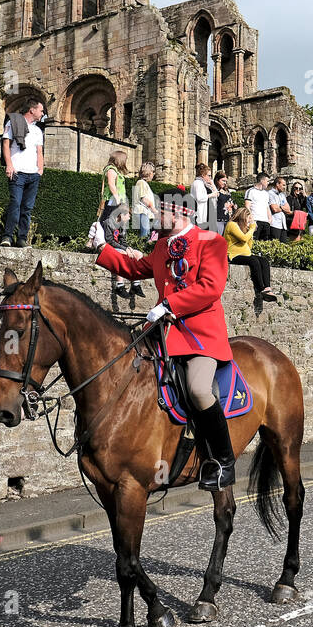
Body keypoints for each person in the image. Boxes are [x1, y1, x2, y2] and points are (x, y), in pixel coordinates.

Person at [90, 191, 238, 490]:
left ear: (178, 213)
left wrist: (169, 306)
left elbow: (211, 287)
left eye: (159, 211)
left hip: (200, 335)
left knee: (198, 389)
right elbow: (134, 268)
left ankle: (224, 461)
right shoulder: (161, 247)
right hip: (163, 333)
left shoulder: (213, 242)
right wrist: (103, 247)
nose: (154, 215)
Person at [0, 98, 44, 247]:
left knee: (27, 208)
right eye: (41, 110)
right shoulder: (13, 123)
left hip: (33, 174)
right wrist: (9, 165)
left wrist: (40, 170)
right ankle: (7, 237)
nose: (42, 113)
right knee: (15, 204)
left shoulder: (38, 130)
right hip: (17, 172)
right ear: (32, 110)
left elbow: (39, 151)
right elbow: (6, 145)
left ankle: (22, 239)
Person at [96, 149, 136, 298]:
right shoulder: (111, 169)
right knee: (108, 222)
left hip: (118, 200)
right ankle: (101, 241)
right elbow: (111, 185)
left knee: (118, 223)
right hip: (112, 200)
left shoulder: (117, 171)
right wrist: (117, 198)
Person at [225, 206, 276, 303]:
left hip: (245, 255)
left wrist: (250, 232)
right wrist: (252, 229)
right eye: (248, 220)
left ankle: (267, 288)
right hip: (233, 255)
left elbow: (249, 245)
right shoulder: (232, 225)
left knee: (264, 260)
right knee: (254, 261)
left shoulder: (244, 228)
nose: (249, 222)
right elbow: (243, 238)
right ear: (243, 217)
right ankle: (261, 288)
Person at [131, 161, 158, 243]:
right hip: (142, 212)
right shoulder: (141, 183)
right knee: (144, 237)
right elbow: (143, 199)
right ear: (149, 172)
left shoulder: (143, 183)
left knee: (146, 236)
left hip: (144, 213)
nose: (153, 174)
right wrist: (154, 210)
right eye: (153, 172)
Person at [245, 172, 272, 241]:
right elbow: (247, 207)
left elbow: (267, 207)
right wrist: (252, 221)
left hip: (266, 222)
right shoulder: (250, 191)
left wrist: (270, 219)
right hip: (256, 221)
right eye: (267, 181)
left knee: (265, 245)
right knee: (254, 242)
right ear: (262, 181)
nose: (268, 183)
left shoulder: (266, 193)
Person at [191, 163, 218, 231]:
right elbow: (200, 198)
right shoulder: (197, 183)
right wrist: (211, 195)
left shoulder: (205, 184)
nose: (210, 177)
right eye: (209, 175)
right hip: (200, 212)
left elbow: (217, 193)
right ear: (203, 175)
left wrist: (212, 183)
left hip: (207, 211)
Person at [267, 176, 290, 242]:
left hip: (283, 225)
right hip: (274, 224)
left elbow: (288, 209)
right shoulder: (270, 193)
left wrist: (280, 207)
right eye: (283, 185)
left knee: (284, 247)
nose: (284, 187)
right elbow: (274, 209)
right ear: (277, 184)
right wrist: (283, 207)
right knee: (274, 246)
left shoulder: (282, 195)